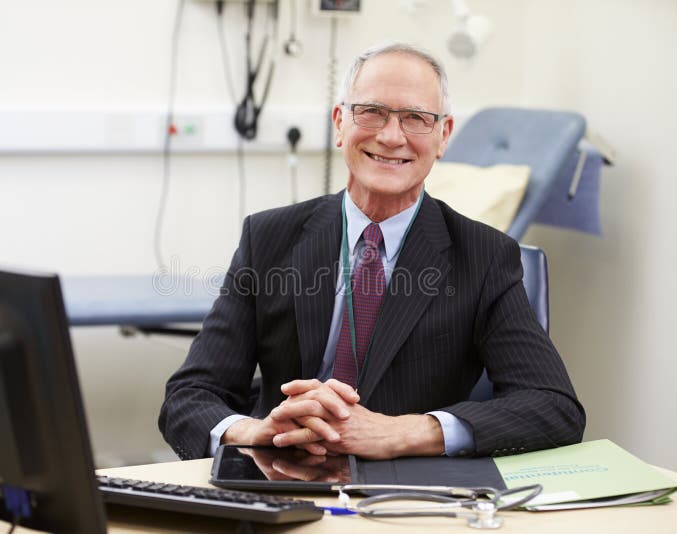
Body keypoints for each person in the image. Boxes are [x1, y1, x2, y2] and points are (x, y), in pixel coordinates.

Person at [159, 42, 585, 462]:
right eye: (372, 111)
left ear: (443, 136)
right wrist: (256, 431)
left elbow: (553, 406)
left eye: (416, 118)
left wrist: (405, 432)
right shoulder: (269, 237)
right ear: (340, 122)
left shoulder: (484, 255)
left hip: (407, 493)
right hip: (278, 479)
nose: (391, 136)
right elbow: (190, 396)